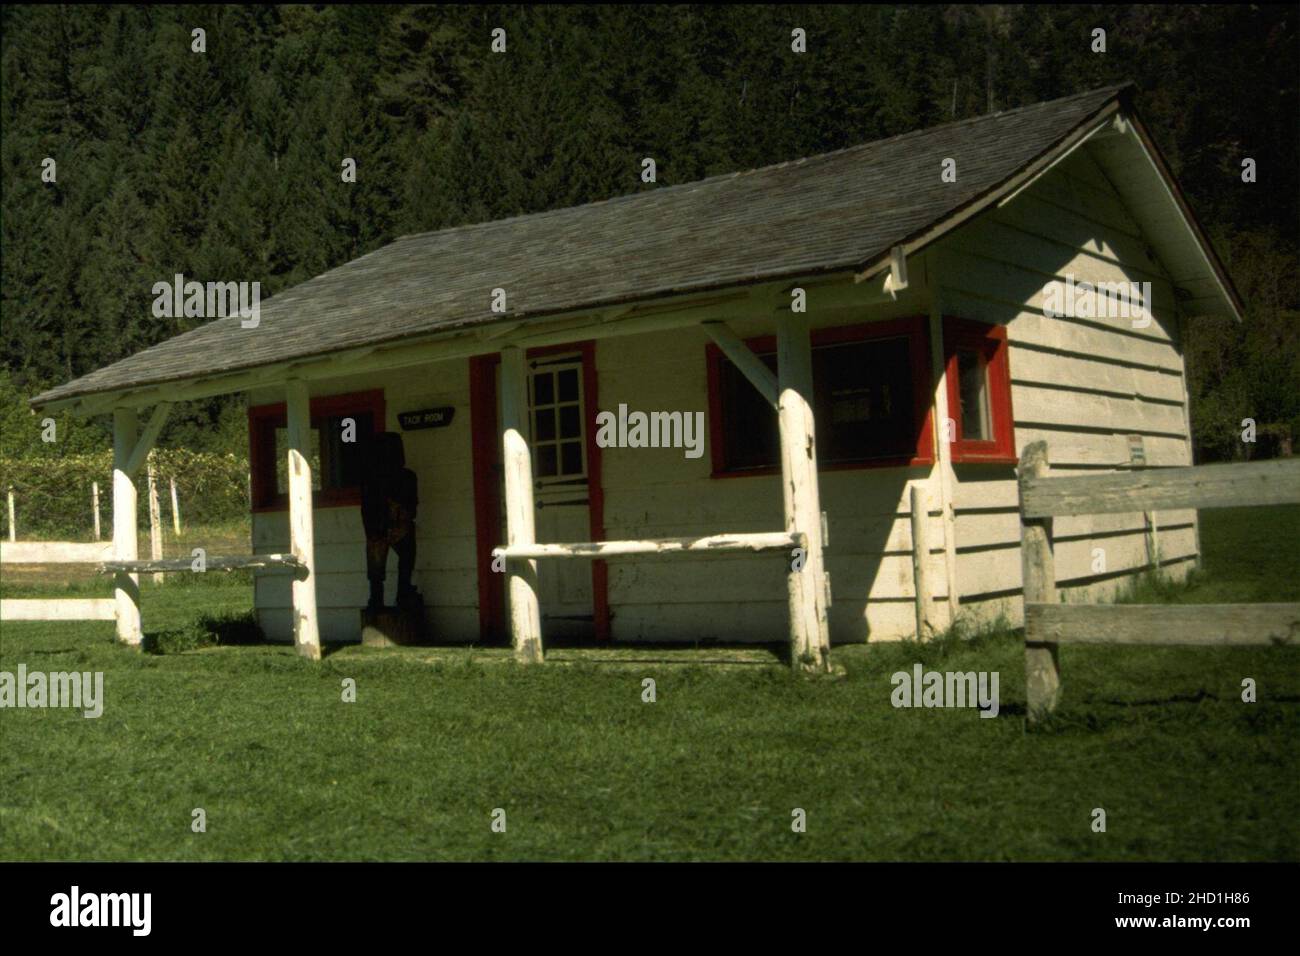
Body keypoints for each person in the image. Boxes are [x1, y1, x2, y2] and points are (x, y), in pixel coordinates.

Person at [360, 431, 419, 611]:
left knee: (402, 558)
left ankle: (397, 594)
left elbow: (412, 506)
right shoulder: (374, 479)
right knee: (383, 563)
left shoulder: (404, 477)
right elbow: (367, 507)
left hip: (391, 525)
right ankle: (386, 597)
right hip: (381, 526)